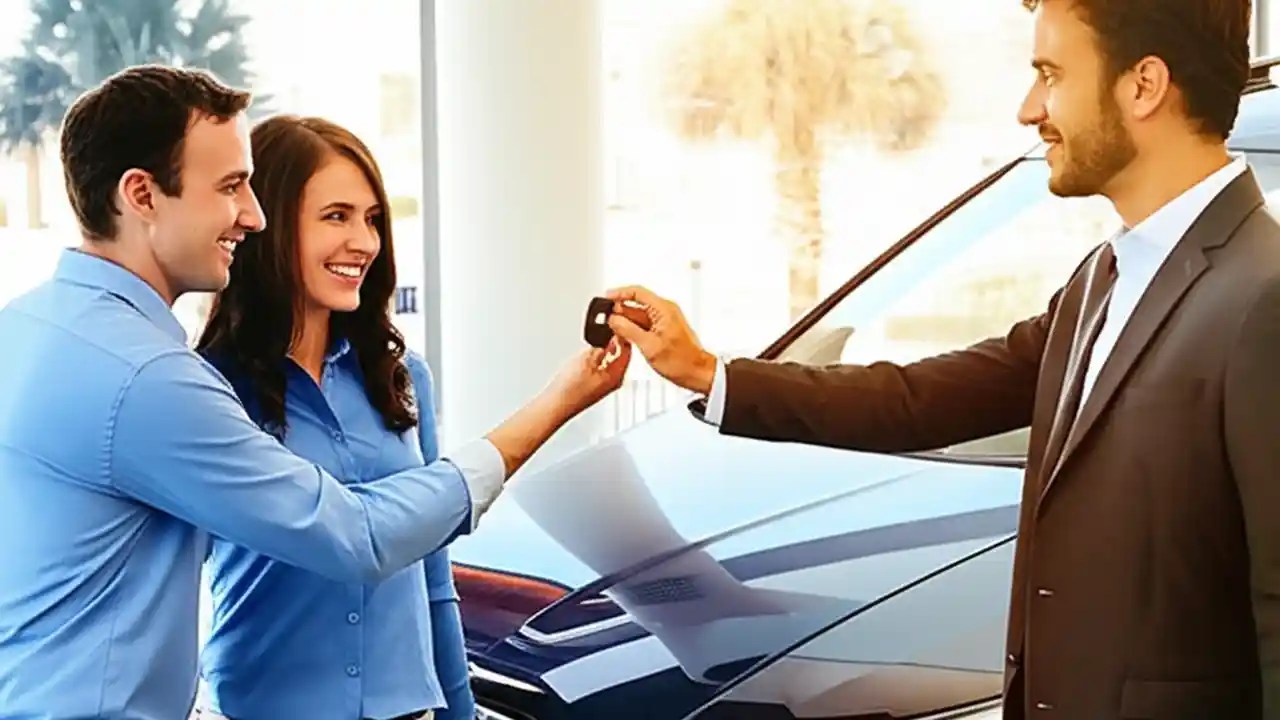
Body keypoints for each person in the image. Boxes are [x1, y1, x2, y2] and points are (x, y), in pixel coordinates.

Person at [606, 0, 1280, 718]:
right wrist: (707, 373)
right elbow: (920, 399)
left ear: (1143, 86)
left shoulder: (1263, 299)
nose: (1030, 109)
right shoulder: (1103, 281)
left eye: (1051, 75)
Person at [0, 65, 629, 720]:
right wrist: (560, 401)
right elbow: (357, 535)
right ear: (142, 195)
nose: (251, 215)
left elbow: (429, 578)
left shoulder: (28, 327)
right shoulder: (160, 379)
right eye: (231, 187)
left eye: (372, 219)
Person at [191, 115, 510, 720]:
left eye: (372, 219)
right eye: (336, 216)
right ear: (269, 223)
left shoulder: (403, 379)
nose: (364, 242)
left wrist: (459, 712)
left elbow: (432, 574)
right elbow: (169, 578)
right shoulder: (208, 390)